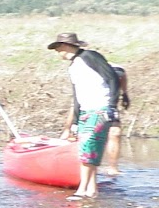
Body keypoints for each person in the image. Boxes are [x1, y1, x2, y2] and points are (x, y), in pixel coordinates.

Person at [48, 31, 122, 199]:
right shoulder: (73, 67)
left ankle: (82, 190)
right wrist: (74, 120)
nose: (57, 52)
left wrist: (112, 106)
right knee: (87, 149)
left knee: (88, 148)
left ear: (65, 46)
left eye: (58, 48)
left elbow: (112, 78)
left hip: (100, 108)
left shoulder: (90, 57)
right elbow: (77, 96)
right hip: (86, 110)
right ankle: (91, 189)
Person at [106, 64, 132, 175]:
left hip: (110, 107)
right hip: (91, 106)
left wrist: (125, 94)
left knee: (115, 133)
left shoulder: (119, 71)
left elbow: (123, 75)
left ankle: (113, 167)